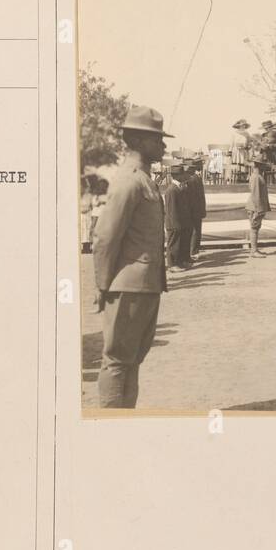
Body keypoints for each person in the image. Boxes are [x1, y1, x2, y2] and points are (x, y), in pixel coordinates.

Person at [92, 105, 171, 410]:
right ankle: (111, 423)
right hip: (127, 286)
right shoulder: (129, 180)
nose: (163, 145)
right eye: (157, 139)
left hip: (146, 284)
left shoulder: (143, 178)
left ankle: (125, 419)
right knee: (117, 360)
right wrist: (102, 285)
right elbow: (105, 237)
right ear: (138, 141)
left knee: (133, 358)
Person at [161, 163, 193, 268]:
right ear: (177, 176)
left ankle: (180, 262)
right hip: (174, 223)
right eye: (182, 174)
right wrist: (175, 225)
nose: (185, 176)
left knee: (179, 243)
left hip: (180, 222)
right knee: (173, 244)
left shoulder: (180, 188)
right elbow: (171, 210)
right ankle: (172, 265)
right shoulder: (171, 190)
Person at [246, 155, 271, 256]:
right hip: (255, 207)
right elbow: (256, 194)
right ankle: (254, 251)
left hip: (255, 206)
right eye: (263, 165)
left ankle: (254, 249)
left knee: (256, 227)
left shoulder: (257, 176)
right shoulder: (256, 177)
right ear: (259, 166)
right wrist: (258, 210)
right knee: (254, 228)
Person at [184, 162, 207, 259]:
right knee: (195, 231)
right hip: (195, 210)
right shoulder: (193, 179)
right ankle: (193, 252)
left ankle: (194, 251)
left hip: (195, 210)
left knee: (196, 231)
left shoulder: (192, 178)